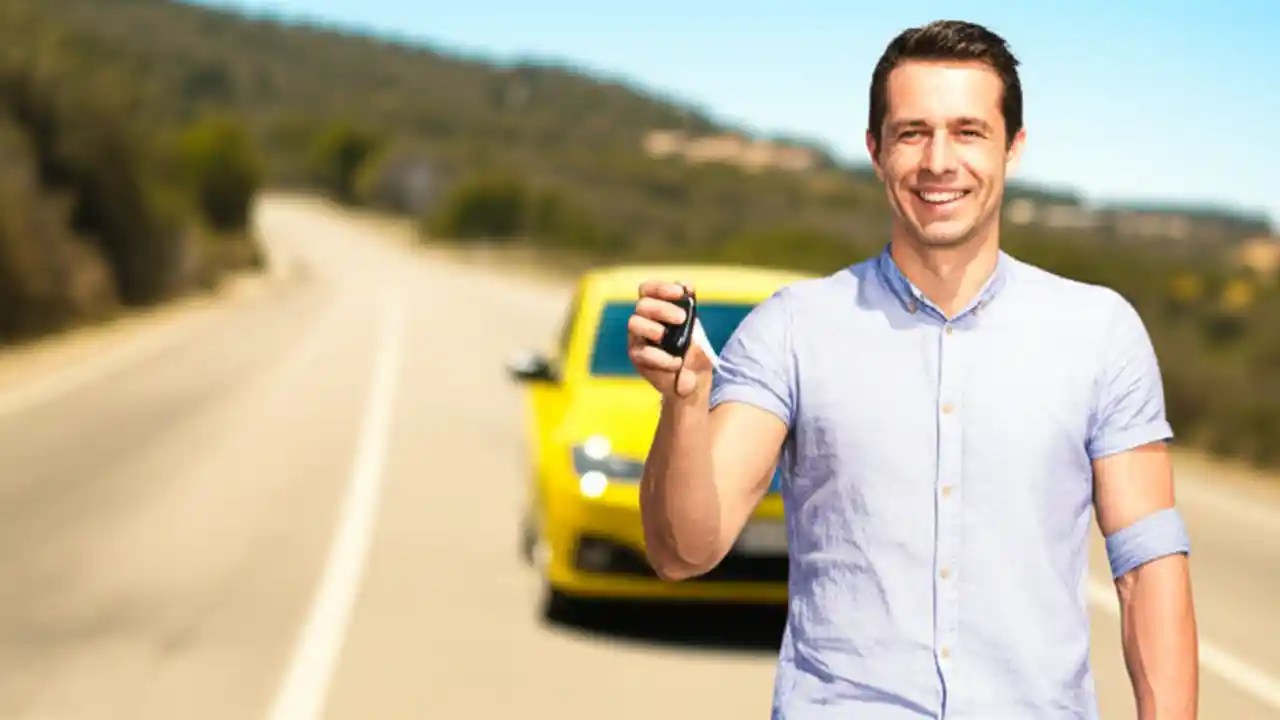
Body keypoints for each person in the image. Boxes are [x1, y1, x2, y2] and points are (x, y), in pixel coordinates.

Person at [626, 18, 1198, 720]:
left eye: (968, 131)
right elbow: (683, 550)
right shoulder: (793, 328)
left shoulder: (1100, 333)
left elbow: (1148, 571)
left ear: (1013, 147)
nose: (938, 161)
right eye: (912, 132)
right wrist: (683, 406)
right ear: (875, 150)